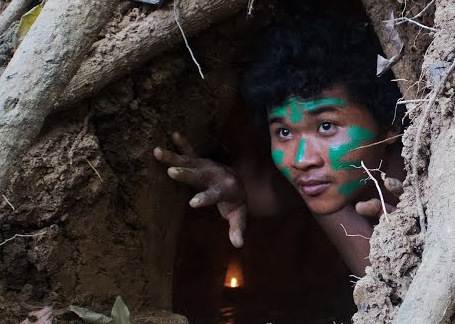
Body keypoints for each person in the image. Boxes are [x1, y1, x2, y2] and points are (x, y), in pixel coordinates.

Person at [153, 16, 405, 277]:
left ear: (390, 125)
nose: (301, 159)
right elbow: (245, 188)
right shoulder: (323, 184)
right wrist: (225, 182)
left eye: (326, 126)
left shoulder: (428, 184)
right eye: (284, 131)